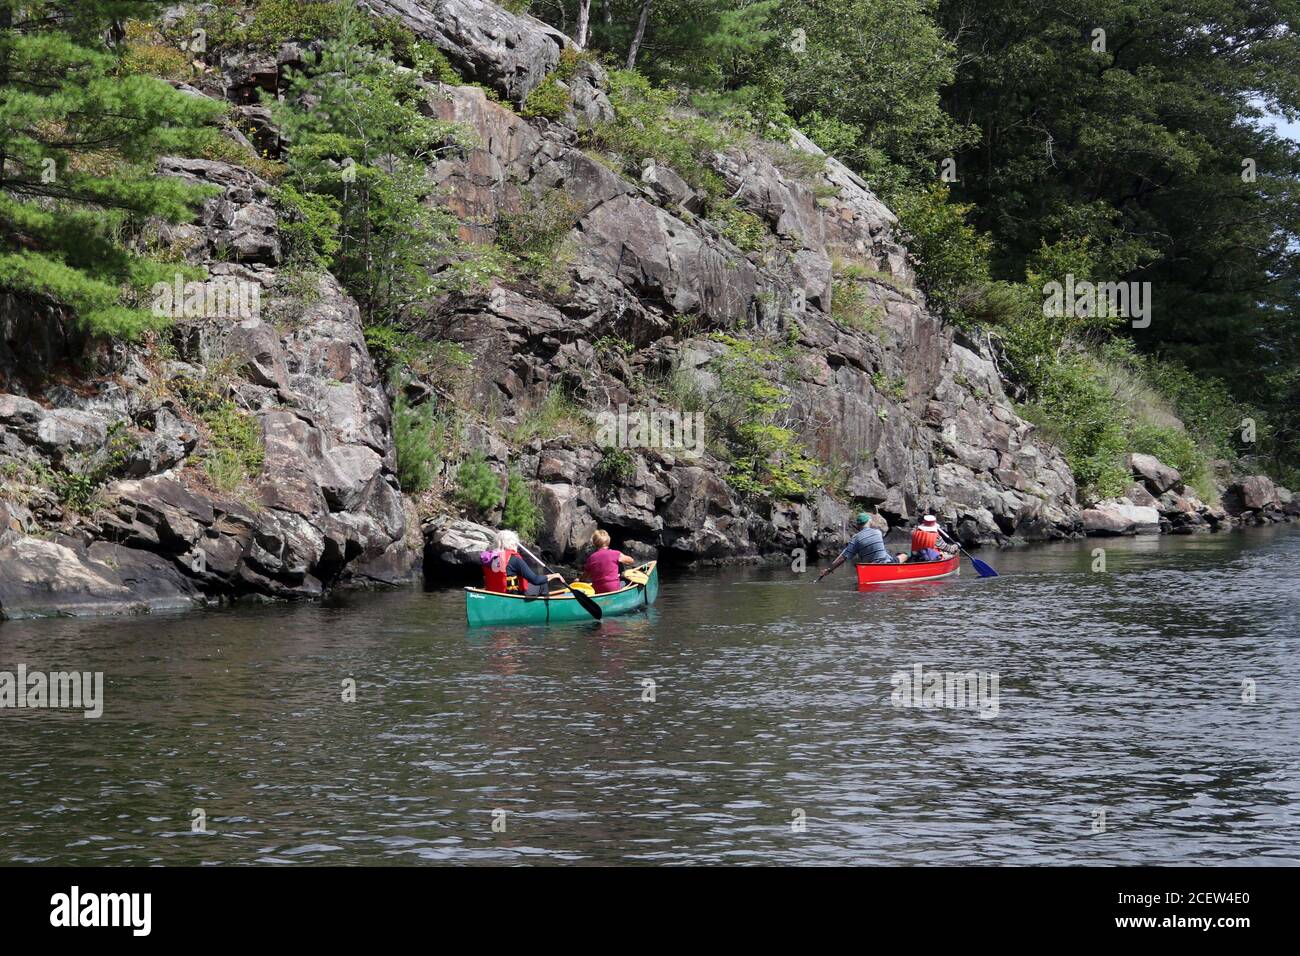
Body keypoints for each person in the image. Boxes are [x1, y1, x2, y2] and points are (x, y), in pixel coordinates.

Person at [816, 512, 897, 582]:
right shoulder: (878, 532)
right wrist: (871, 522)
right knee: (904, 555)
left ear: (858, 525)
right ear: (869, 521)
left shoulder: (856, 539)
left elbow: (843, 558)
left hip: (869, 569)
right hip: (886, 564)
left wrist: (829, 569)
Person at [480, 530, 564, 596]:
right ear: (513, 544)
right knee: (543, 582)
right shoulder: (514, 560)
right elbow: (535, 580)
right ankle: (542, 608)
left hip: (494, 593)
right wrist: (555, 575)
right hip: (510, 595)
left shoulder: (490, 558)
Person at [581, 529, 635, 594]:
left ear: (594, 543)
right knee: (627, 581)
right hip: (613, 588)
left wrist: (578, 580)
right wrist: (621, 558)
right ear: (608, 541)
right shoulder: (615, 553)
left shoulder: (591, 558)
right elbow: (631, 561)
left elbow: (584, 577)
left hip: (597, 590)